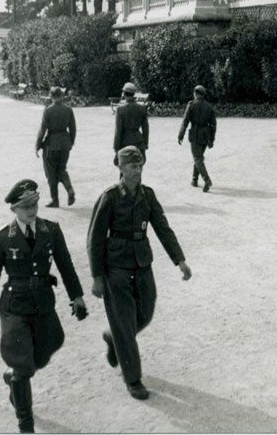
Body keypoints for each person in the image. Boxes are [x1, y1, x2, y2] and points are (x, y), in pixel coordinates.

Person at [0, 179, 87, 433]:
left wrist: (77, 296)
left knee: (54, 340)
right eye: (25, 206)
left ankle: (14, 377)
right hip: (14, 305)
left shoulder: (51, 230)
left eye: (35, 204)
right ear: (14, 209)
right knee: (22, 363)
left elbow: (66, 265)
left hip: (42, 302)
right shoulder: (3, 237)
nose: (32, 210)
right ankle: (25, 422)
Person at [87, 146, 192, 401]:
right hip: (116, 267)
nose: (138, 170)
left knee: (145, 312)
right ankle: (133, 379)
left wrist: (180, 260)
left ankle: (114, 337)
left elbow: (163, 229)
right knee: (124, 322)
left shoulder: (147, 195)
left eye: (140, 166)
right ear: (121, 168)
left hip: (142, 263)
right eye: (133, 166)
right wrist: (97, 276)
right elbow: (95, 238)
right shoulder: (110, 197)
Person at [35, 86, 76, 208]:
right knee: (62, 169)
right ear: (62, 96)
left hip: (51, 144)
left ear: (51, 96)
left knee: (51, 172)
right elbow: (73, 128)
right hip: (65, 143)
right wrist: (71, 142)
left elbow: (42, 130)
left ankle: (55, 200)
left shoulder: (48, 110)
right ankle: (69, 189)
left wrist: (37, 145)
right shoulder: (68, 110)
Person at [178, 85, 217, 192]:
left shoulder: (191, 105)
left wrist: (180, 135)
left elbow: (185, 122)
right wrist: (212, 139)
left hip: (195, 134)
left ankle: (207, 180)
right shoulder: (209, 106)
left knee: (197, 158)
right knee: (199, 157)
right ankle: (194, 180)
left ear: (195, 93)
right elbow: (214, 125)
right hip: (206, 135)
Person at [113, 82, 149, 167]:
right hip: (139, 142)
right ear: (134, 94)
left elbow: (118, 131)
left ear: (124, 94)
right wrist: (145, 143)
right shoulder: (142, 108)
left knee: (124, 172)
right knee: (137, 171)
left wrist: (116, 147)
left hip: (125, 143)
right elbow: (146, 129)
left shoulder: (120, 109)